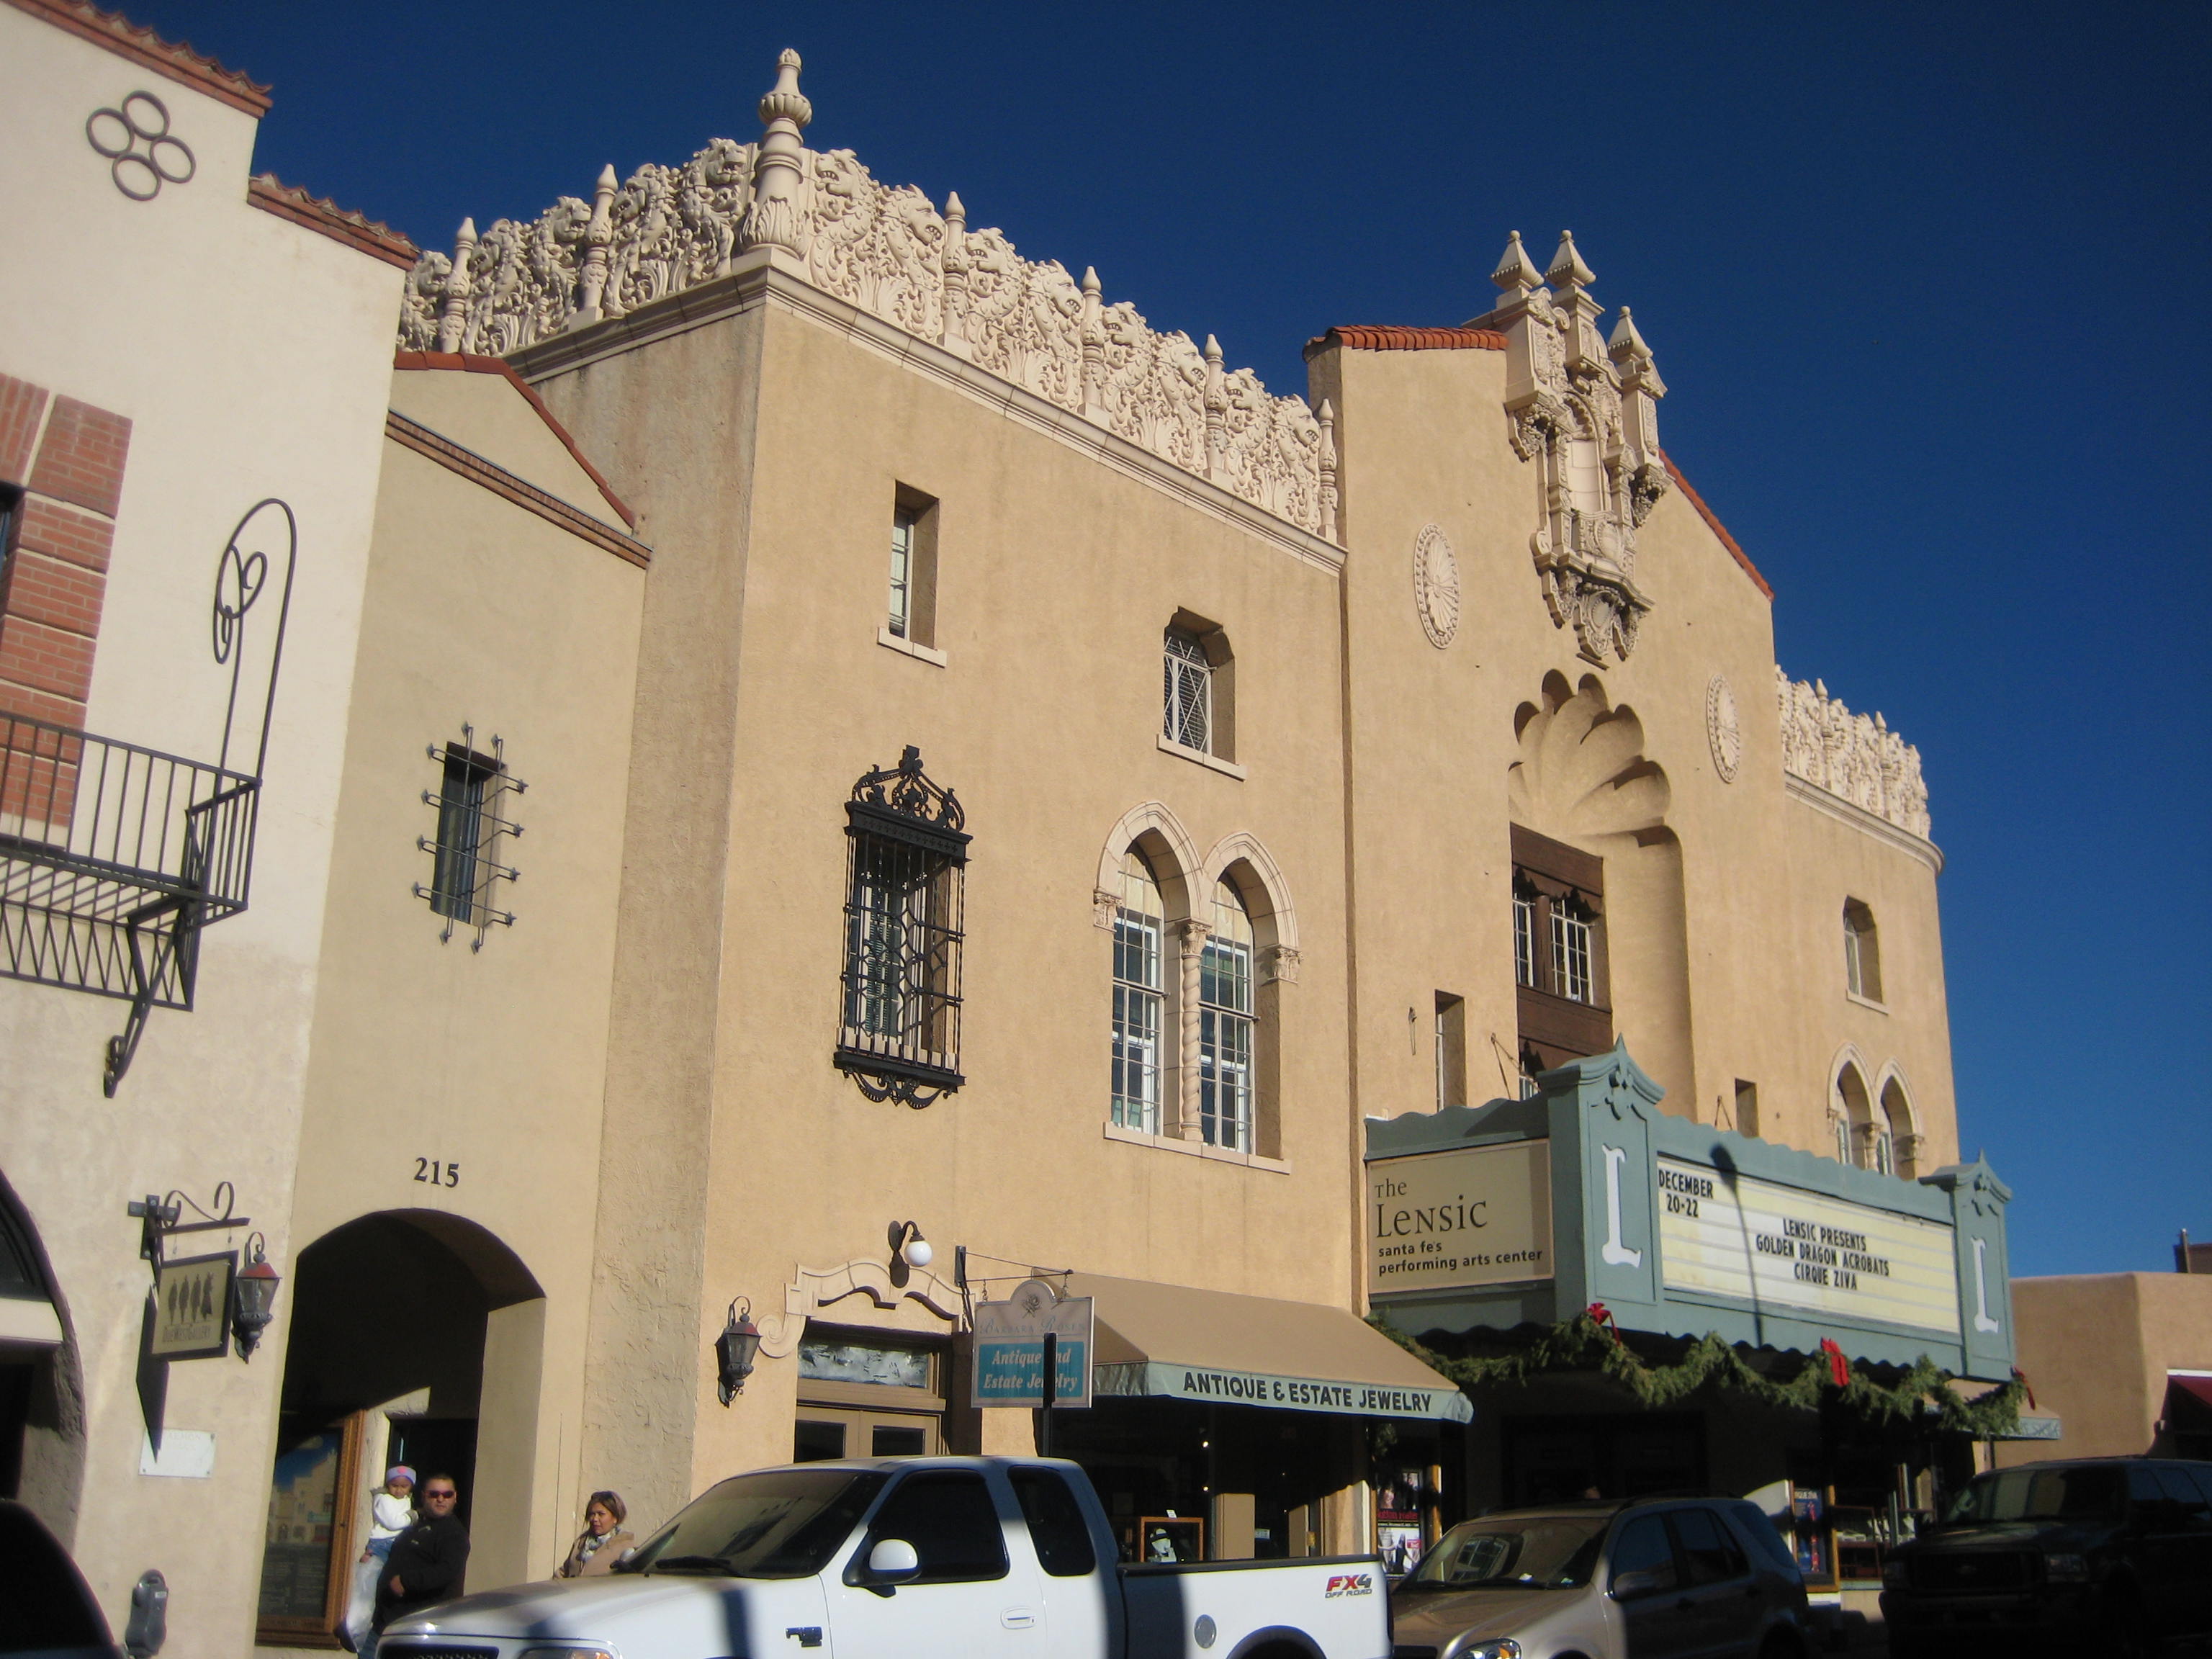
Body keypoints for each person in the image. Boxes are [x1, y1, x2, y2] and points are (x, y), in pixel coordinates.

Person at [368, 1473, 469, 1658]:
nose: (440, 1499)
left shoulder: (453, 1533)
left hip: (417, 1631)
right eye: (434, 1494)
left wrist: (406, 1581)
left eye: (447, 1495)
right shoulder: (413, 1525)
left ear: (455, 1498)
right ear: (423, 1496)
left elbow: (447, 1571)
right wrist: (372, 1552)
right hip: (384, 1625)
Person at [343, 1467, 415, 1651]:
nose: (399, 1490)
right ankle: (354, 1629)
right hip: (381, 1545)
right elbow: (393, 1522)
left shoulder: (406, 1501)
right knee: (366, 1588)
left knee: (386, 1588)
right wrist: (412, 1517)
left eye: (404, 1486)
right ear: (387, 1485)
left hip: (397, 1545)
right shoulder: (383, 1499)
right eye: (395, 1485)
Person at [554, 1490, 635, 1578]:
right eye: (592, 1514)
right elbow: (564, 1572)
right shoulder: (581, 1542)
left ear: (615, 1518)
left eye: (601, 1514)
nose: (595, 1519)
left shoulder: (625, 1546)